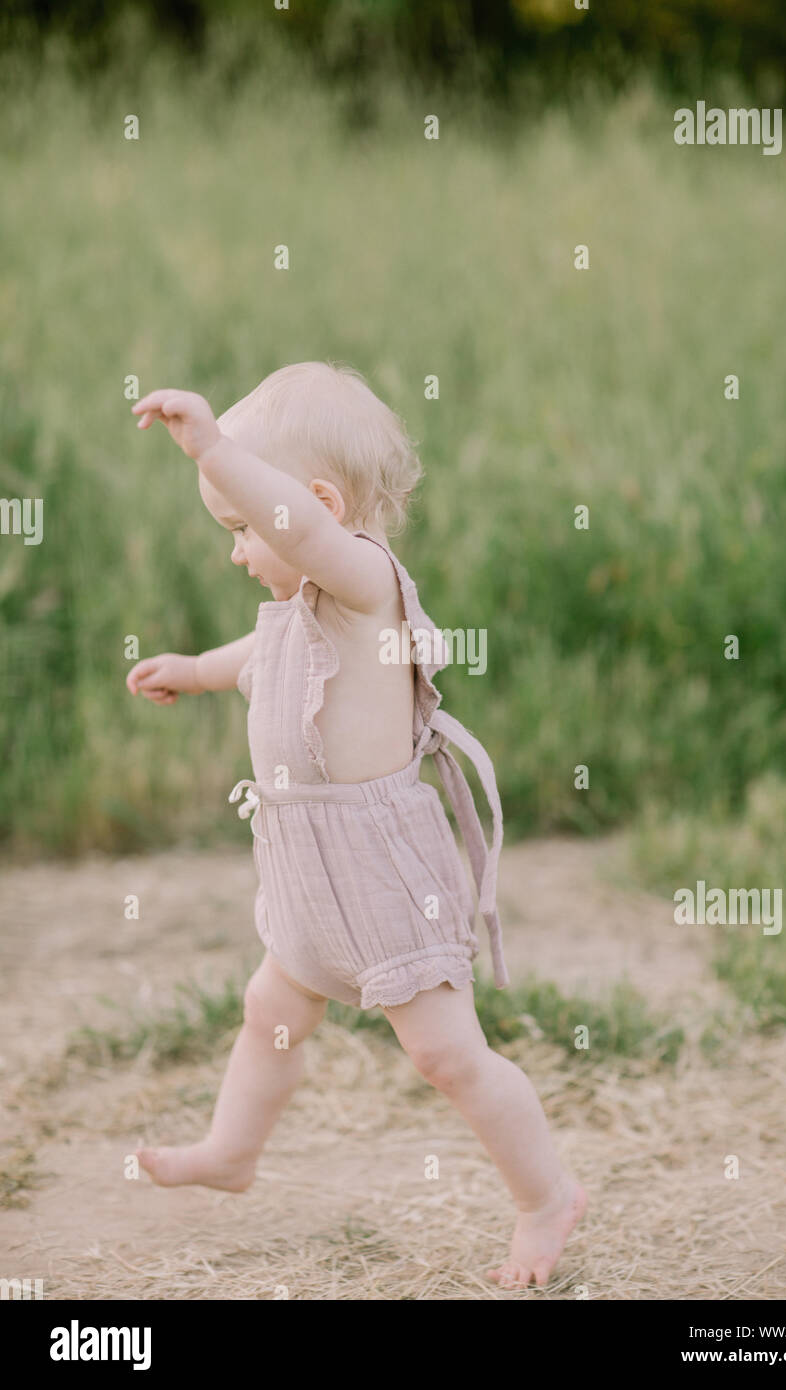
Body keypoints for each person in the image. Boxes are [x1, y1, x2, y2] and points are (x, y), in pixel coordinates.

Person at [126, 362, 585, 1289]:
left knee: (447, 1054)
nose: (237, 550)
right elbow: (254, 652)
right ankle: (232, 1149)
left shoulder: (365, 582)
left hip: (382, 867)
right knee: (271, 1014)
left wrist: (214, 448)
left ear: (318, 504)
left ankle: (545, 1196)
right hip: (304, 867)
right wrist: (195, 668)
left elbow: (300, 531)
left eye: (242, 528)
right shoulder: (300, 608)